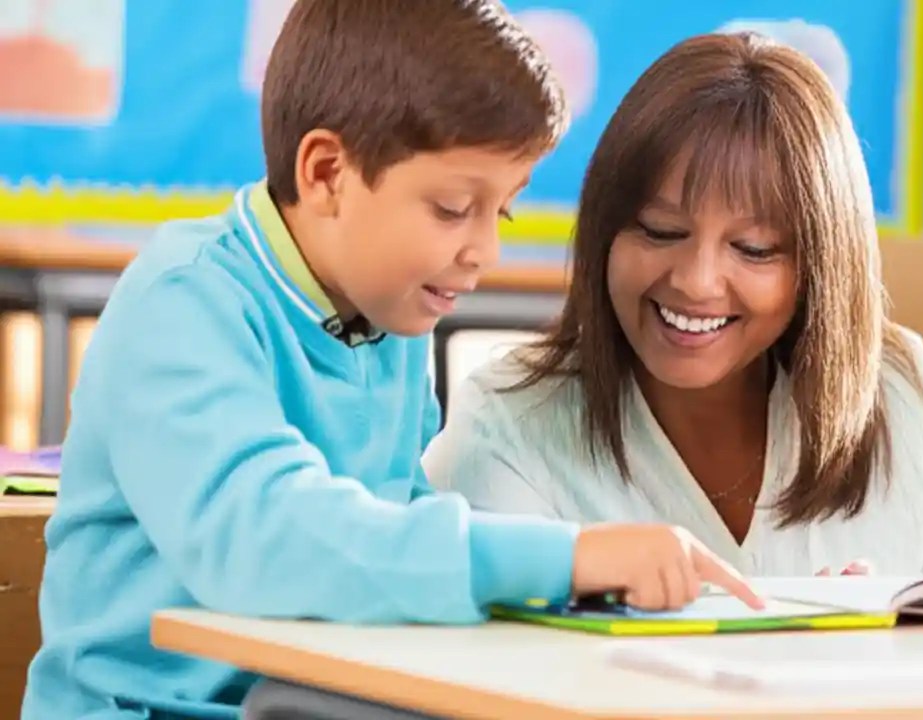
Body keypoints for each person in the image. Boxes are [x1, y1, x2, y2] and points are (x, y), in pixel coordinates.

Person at [23, 4, 758, 718]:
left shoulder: (385, 313)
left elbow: (397, 530)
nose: (485, 251)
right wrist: (568, 559)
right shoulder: (184, 300)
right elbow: (269, 540)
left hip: (305, 700)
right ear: (327, 173)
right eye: (450, 208)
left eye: (498, 211)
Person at [423, 32, 923, 579]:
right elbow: (507, 675)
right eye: (658, 231)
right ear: (606, 232)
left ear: (821, 266)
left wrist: (867, 661)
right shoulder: (510, 426)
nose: (698, 282)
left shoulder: (906, 402)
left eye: (753, 249)